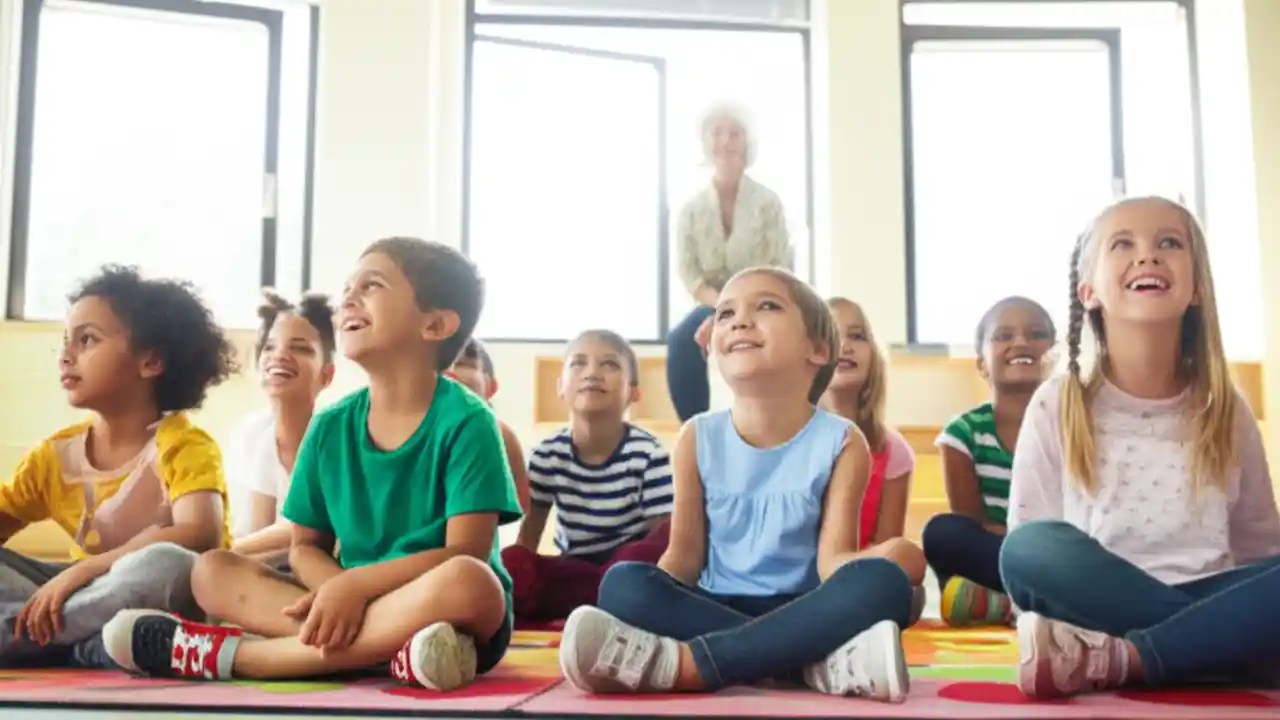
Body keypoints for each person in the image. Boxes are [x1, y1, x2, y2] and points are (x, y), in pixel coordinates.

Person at [101, 238, 523, 691]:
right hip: (348, 599)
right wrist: (335, 588)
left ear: (435, 324)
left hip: (444, 604)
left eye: (372, 285)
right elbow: (304, 547)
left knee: (471, 583)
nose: (348, 298)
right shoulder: (329, 427)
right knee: (212, 572)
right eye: (347, 287)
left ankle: (245, 658)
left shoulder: (470, 421)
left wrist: (355, 588)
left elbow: (466, 552)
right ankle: (396, 652)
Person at [558, 267, 925, 703]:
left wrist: (889, 560)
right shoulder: (696, 437)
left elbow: (832, 564)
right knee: (622, 584)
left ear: (818, 349)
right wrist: (640, 599)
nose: (739, 320)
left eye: (766, 306)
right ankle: (814, 665)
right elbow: (685, 558)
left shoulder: (843, 441)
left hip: (803, 607)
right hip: (712, 605)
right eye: (726, 312)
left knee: (886, 584)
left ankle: (690, 664)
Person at [997, 197, 1280, 699]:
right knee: (1029, 550)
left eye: (1169, 243)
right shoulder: (1058, 402)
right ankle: (1221, 652)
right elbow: (1028, 543)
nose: (1147, 256)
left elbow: (1261, 548)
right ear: (1089, 292)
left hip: (1214, 596)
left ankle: (1132, 657)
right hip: (1096, 603)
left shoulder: (1226, 409)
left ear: (1196, 288)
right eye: (1123, 244)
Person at [0, 265, 236, 667]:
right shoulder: (53, 456)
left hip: (152, 596)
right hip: (80, 603)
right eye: (65, 342)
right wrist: (71, 581)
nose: (66, 355)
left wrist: (83, 570)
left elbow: (200, 532)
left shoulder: (184, 444)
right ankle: (89, 648)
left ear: (151, 362)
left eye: (87, 339)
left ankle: (33, 639)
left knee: (168, 564)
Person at [502, 330, 672, 623]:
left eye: (610, 365)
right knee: (512, 561)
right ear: (561, 387)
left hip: (628, 569)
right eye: (578, 364)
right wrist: (519, 574)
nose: (592, 373)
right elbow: (528, 537)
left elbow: (664, 536)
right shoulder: (547, 454)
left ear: (634, 392)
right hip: (573, 569)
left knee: (658, 546)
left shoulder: (647, 452)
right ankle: (600, 608)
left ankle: (609, 605)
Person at [921, 297, 1055, 627]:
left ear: (1059, 355)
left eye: (1036, 334)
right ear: (981, 364)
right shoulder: (963, 433)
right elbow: (972, 524)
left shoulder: (1074, 426)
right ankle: (1032, 605)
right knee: (943, 533)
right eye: (1003, 336)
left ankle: (1008, 607)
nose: (1021, 342)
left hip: (1056, 556)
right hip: (998, 558)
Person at [668, 101, 792, 422]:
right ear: (706, 143)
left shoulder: (768, 203)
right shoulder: (691, 209)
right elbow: (691, 276)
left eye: (735, 133)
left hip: (765, 297)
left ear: (747, 142)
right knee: (682, 341)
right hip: (713, 301)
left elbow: (779, 267)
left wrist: (741, 307)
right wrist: (723, 309)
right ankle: (693, 433)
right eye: (717, 133)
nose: (726, 141)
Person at [228, 291, 336, 563]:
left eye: (300, 348)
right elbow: (255, 529)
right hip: (257, 567)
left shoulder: (337, 434)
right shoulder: (254, 432)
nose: (280, 356)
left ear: (326, 375)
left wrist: (218, 555)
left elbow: (308, 531)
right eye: (270, 347)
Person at [818, 298, 915, 550]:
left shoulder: (893, 449)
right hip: (795, 572)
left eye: (857, 336)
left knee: (906, 557)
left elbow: (887, 545)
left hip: (858, 573)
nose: (845, 346)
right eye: (831, 334)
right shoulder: (788, 436)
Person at [447, 338, 530, 513]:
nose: (450, 371)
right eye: (442, 365)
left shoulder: (502, 435)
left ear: (491, 386)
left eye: (464, 364)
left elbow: (523, 503)